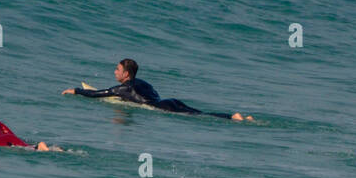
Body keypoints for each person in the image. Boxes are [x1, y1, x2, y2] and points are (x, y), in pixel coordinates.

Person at [62, 59, 251, 121]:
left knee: (199, 117)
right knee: (200, 112)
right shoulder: (142, 82)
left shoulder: (122, 89)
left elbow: (97, 94)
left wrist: (76, 91)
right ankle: (231, 116)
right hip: (170, 101)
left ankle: (232, 118)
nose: (115, 71)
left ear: (126, 74)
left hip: (164, 108)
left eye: (117, 69)